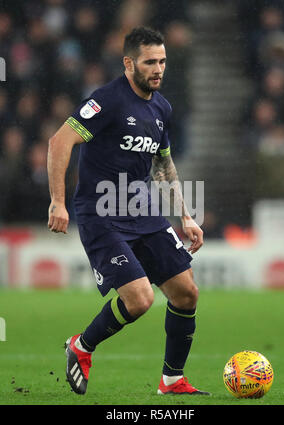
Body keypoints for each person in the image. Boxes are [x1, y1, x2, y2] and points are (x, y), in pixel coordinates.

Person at [47, 27, 210, 396]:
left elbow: (163, 166)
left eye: (163, 61)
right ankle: (81, 347)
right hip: (100, 212)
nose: (158, 69)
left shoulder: (161, 108)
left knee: (186, 293)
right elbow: (60, 141)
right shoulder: (107, 100)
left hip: (142, 209)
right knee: (140, 299)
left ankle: (172, 380)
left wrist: (185, 215)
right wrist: (58, 200)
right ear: (128, 63)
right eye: (150, 62)